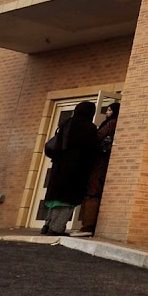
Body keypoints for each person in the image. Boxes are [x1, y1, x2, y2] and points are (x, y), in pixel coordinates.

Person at [41, 101, 98, 236]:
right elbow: (91, 150)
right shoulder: (89, 128)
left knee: (56, 197)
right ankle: (56, 229)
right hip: (75, 169)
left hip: (59, 166)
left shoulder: (66, 123)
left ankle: (47, 226)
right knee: (67, 200)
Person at [80, 100, 119, 234]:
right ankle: (88, 225)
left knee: (93, 190)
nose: (107, 112)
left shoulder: (110, 124)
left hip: (100, 160)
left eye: (109, 110)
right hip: (102, 160)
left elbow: (97, 137)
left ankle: (87, 225)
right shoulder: (113, 123)